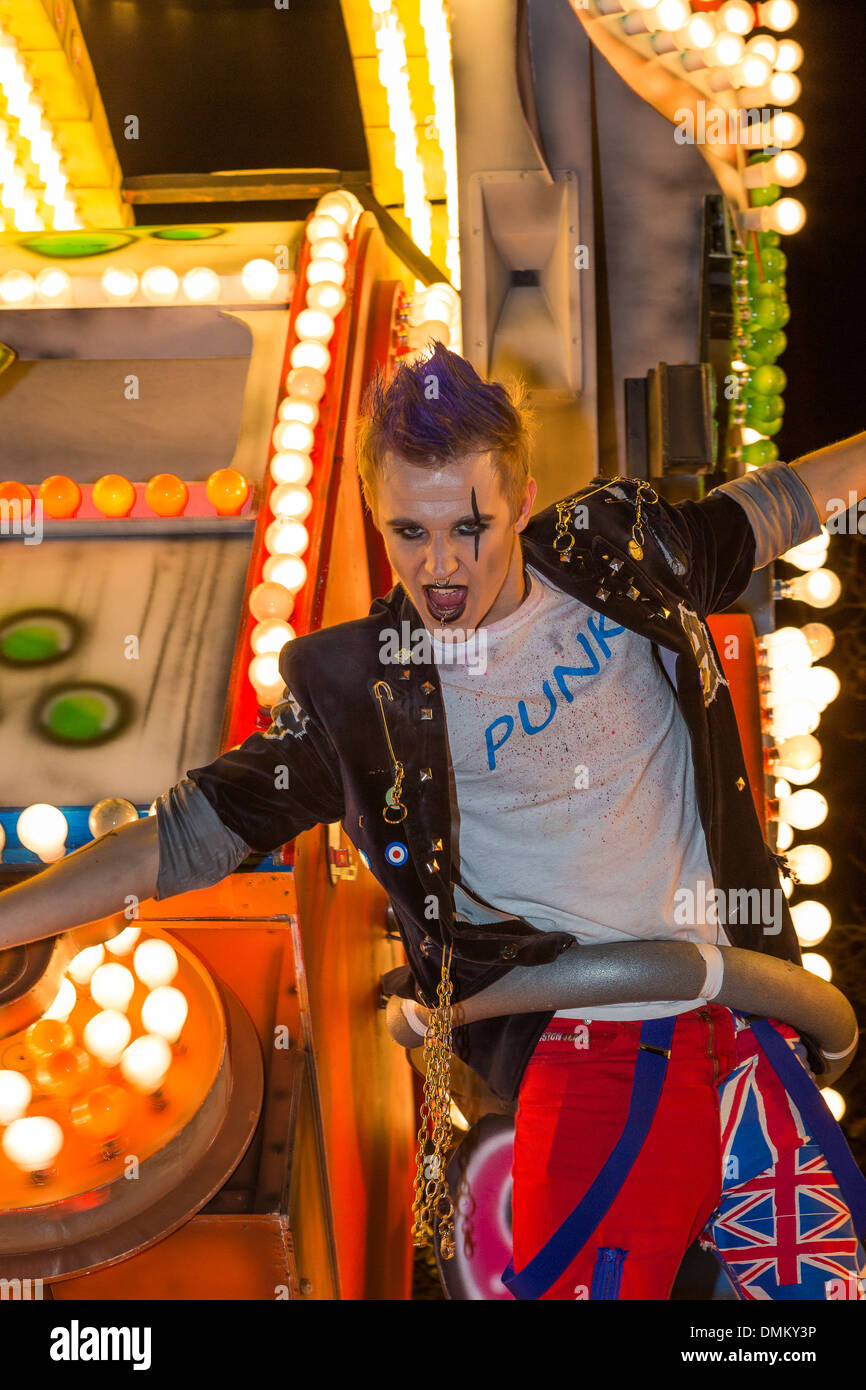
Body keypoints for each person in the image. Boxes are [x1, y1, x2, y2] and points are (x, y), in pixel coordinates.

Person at [1, 344, 864, 1300]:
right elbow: (187, 835)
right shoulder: (364, 696)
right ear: (379, 519)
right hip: (596, 1043)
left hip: (749, 1013)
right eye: (409, 532)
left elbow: (787, 502)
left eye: (470, 526)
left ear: (523, 498)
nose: (442, 567)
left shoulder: (619, 552)